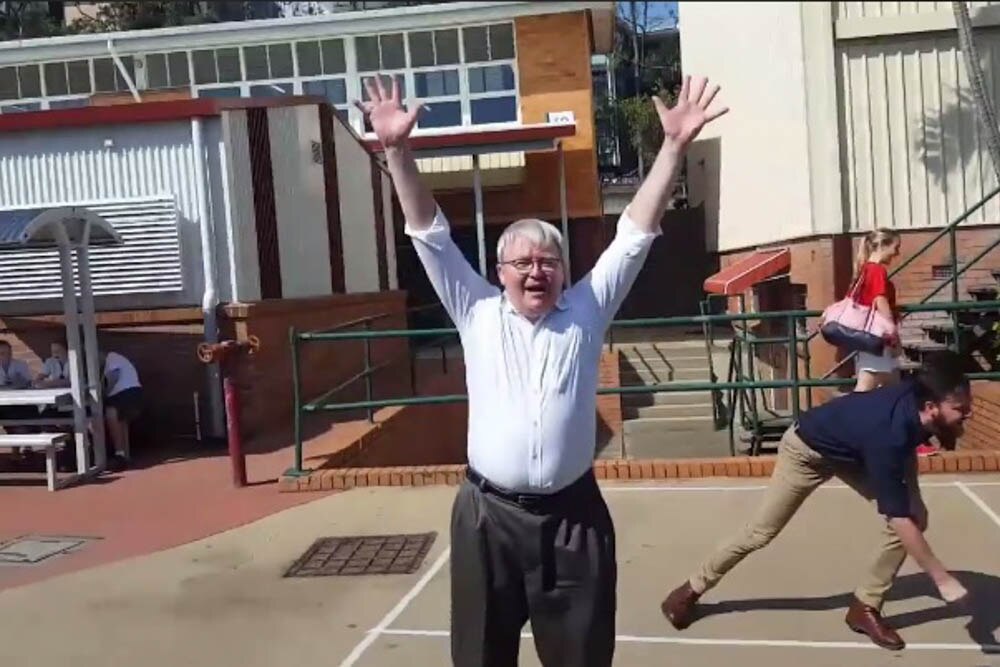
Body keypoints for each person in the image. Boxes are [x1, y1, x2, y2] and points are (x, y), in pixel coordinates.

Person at [355, 74, 727, 666]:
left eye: (548, 260)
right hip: (486, 519)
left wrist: (674, 148)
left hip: (573, 519)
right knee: (479, 657)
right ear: (499, 271)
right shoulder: (473, 309)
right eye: (522, 262)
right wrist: (397, 151)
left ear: (564, 270)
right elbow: (429, 234)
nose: (536, 271)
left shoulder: (587, 307)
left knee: (581, 657)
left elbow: (633, 234)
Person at [660, 350, 973, 651]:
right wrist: (941, 578)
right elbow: (897, 514)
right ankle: (689, 590)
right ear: (931, 407)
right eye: (959, 409)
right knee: (761, 532)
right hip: (805, 450)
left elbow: (910, 455)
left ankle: (865, 607)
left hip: (853, 450)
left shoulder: (918, 403)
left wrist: (914, 498)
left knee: (914, 516)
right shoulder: (888, 434)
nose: (966, 414)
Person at [100, 349, 143, 466]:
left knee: (111, 412)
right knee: (116, 416)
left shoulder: (112, 357)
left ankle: (119, 454)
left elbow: (113, 378)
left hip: (129, 394)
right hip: (130, 395)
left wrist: (101, 395)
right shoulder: (111, 361)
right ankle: (123, 453)